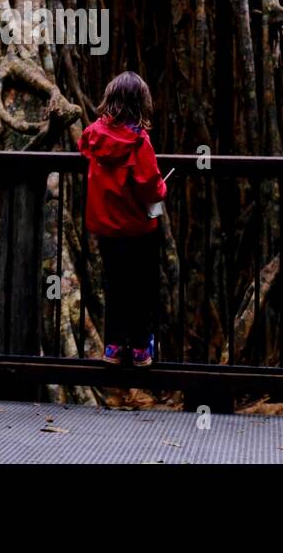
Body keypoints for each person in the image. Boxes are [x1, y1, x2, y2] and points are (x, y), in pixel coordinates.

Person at [78, 71, 167, 367]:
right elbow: (150, 185)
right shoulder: (139, 143)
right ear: (141, 103)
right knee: (141, 287)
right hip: (137, 229)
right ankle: (141, 349)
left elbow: (83, 146)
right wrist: (163, 188)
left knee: (115, 286)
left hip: (106, 229)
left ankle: (113, 348)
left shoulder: (94, 134)